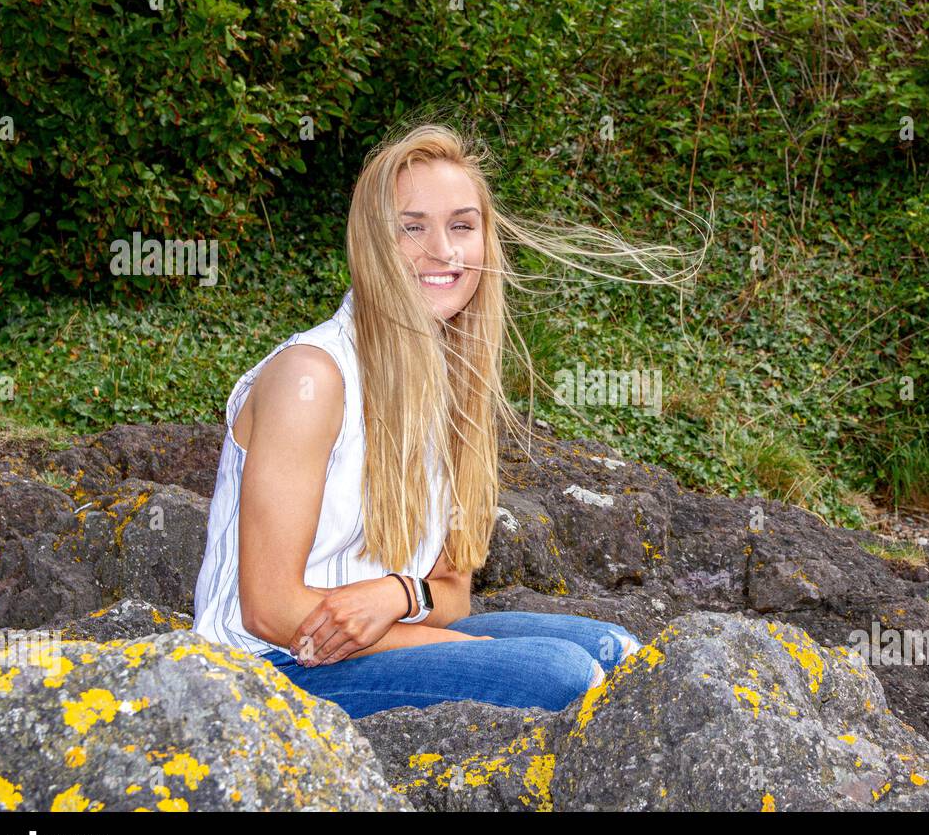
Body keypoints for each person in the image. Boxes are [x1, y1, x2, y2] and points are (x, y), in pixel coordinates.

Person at [192, 120, 705, 719]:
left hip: (378, 638)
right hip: (268, 666)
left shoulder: (452, 385)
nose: (444, 250)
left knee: (619, 650)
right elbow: (270, 610)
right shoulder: (311, 378)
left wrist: (398, 594)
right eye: (413, 228)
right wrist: (472, 652)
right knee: (563, 674)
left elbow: (454, 596)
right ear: (372, 243)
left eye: (462, 226)